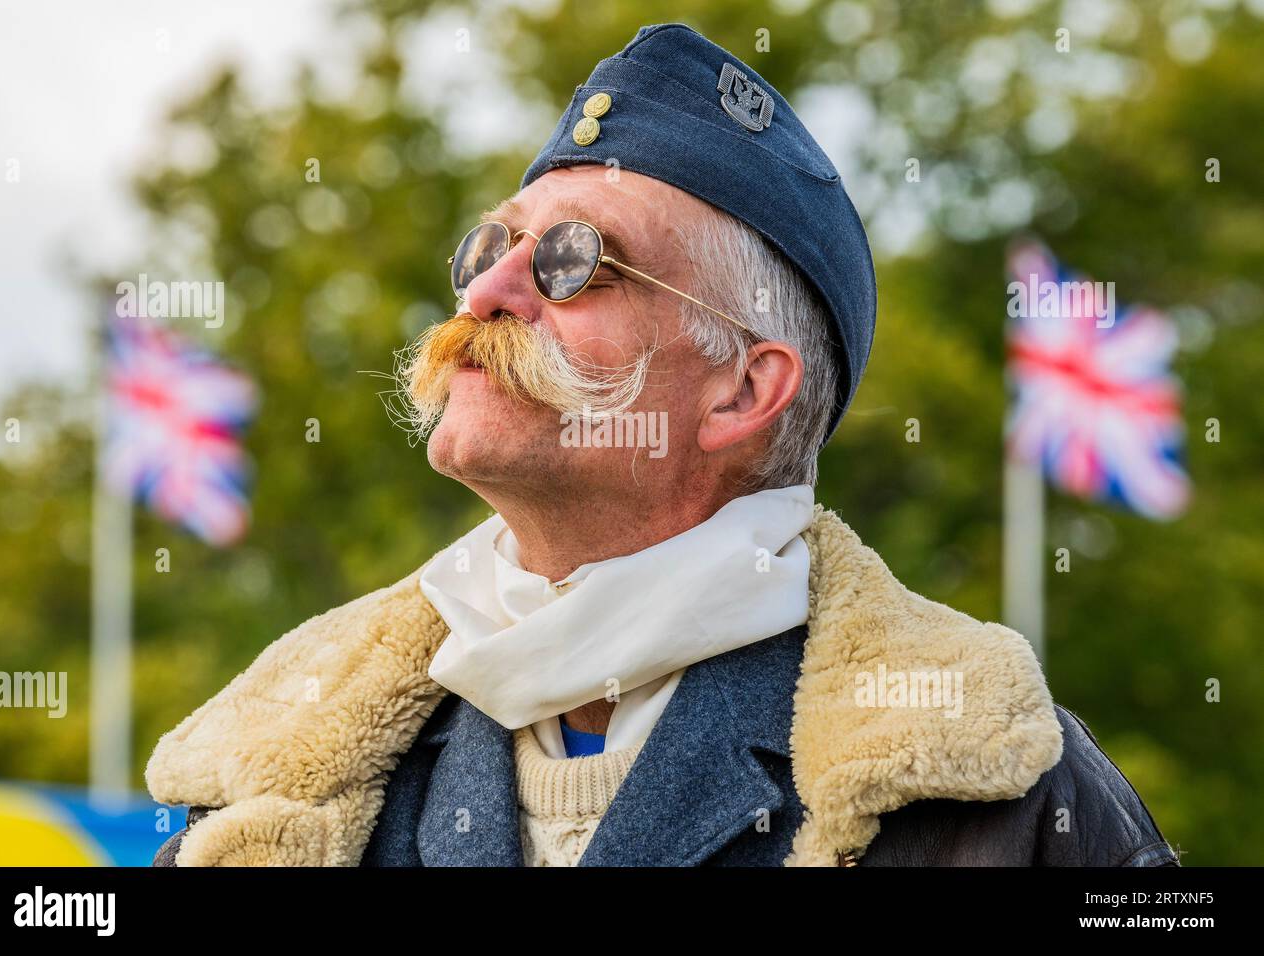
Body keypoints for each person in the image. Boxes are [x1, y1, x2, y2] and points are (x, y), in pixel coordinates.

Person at [147, 23, 1177, 867]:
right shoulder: (266, 775)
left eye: (574, 260)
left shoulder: (999, 780)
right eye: (491, 245)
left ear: (741, 389)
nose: (485, 292)